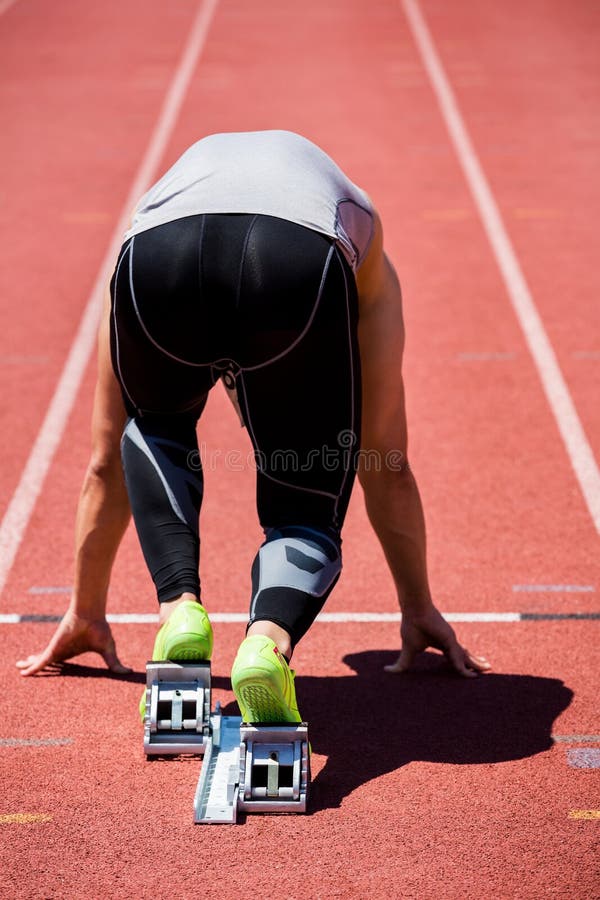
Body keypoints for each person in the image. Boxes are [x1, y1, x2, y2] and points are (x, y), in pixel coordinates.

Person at [16, 131, 489, 720]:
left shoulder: (157, 205)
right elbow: (382, 457)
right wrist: (417, 604)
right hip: (294, 254)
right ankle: (266, 642)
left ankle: (179, 608)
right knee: (304, 510)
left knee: (155, 430)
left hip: (153, 254)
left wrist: (87, 609)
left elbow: (106, 458)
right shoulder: (370, 254)